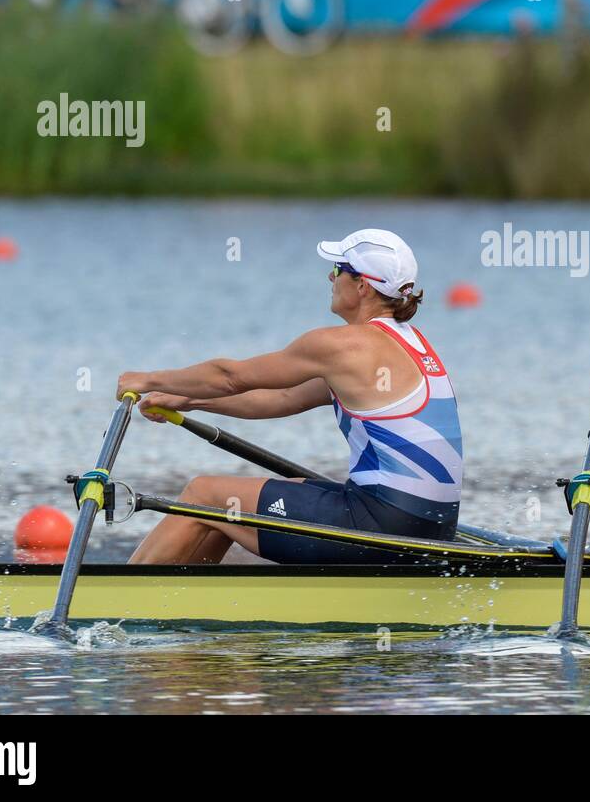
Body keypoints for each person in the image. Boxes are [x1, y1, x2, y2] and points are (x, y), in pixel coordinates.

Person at [116, 229, 464, 565]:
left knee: (203, 493)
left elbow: (231, 377)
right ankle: (183, 603)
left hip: (383, 525)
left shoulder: (344, 346)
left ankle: (119, 603)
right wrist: (190, 401)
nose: (330, 278)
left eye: (337, 269)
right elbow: (283, 397)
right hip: (432, 526)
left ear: (361, 285)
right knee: (255, 497)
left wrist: (147, 378)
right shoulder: (411, 343)